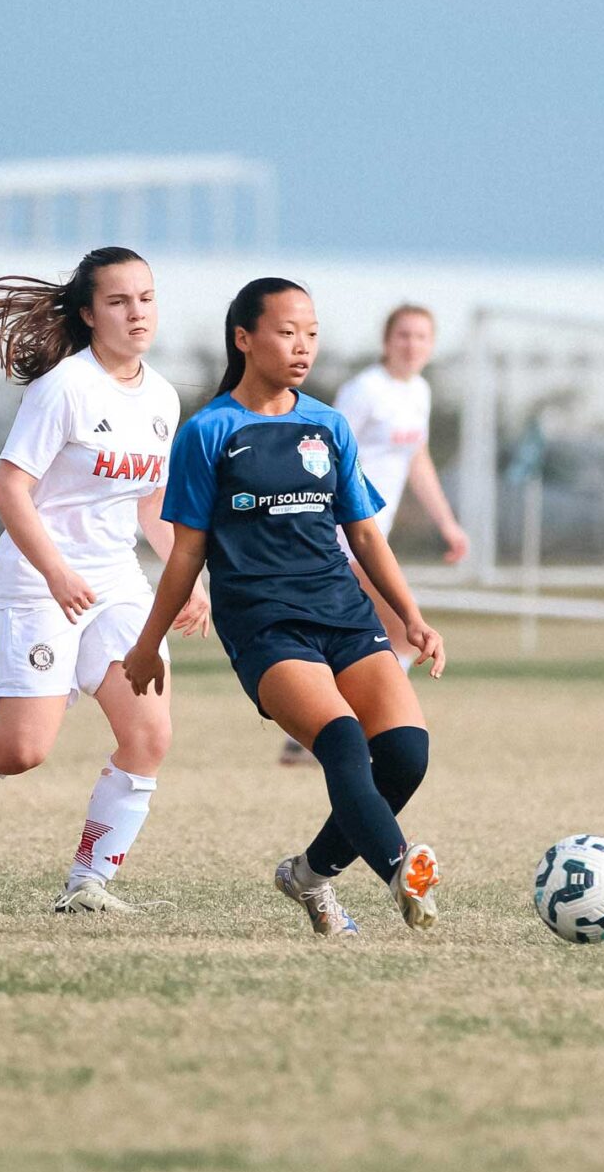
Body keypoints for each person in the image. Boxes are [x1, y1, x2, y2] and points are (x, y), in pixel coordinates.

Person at [0, 247, 208, 915]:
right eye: (117, 301)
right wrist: (55, 572)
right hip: (36, 579)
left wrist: (185, 577)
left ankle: (88, 883)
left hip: (116, 586)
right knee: (22, 750)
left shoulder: (163, 396)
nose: (136, 312)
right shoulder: (65, 388)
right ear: (88, 313)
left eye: (145, 297)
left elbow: (152, 503)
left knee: (149, 735)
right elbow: (10, 488)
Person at [123, 277, 445, 938]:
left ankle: (306, 876)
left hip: (341, 610)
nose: (301, 346)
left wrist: (411, 616)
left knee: (407, 755)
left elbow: (361, 532)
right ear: (243, 339)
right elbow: (185, 555)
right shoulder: (208, 433)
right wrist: (148, 641)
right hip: (263, 622)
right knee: (342, 742)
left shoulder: (327, 424)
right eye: (285, 332)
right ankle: (398, 870)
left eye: (311, 334)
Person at [278, 304, 468, 767]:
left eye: (422, 336)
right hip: (343, 531)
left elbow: (415, 460)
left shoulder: (418, 391)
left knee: (368, 635)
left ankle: (322, 733)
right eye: (403, 335)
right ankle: (364, 729)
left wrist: (447, 523)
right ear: (387, 340)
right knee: (400, 631)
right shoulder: (364, 390)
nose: (412, 344)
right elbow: (324, 447)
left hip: (372, 532)